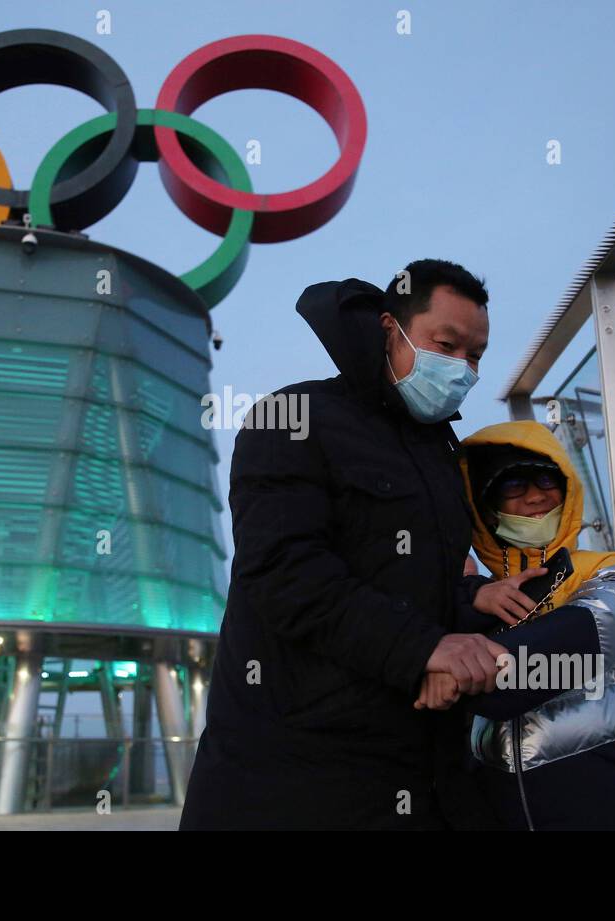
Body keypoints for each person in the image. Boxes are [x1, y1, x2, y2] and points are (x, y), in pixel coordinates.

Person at [179, 259, 506, 830]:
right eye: (445, 344)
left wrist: (473, 600)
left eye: (474, 355)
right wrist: (422, 651)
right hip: (290, 776)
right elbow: (283, 572)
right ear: (390, 329)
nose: (460, 367)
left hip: (416, 770)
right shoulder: (293, 418)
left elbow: (415, 586)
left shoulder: (442, 457)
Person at [417, 420, 615, 830]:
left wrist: (450, 672)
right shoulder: (478, 598)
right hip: (499, 807)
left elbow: (577, 644)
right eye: (512, 486)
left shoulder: (605, 569)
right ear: (485, 507)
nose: (536, 496)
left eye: (546, 479)